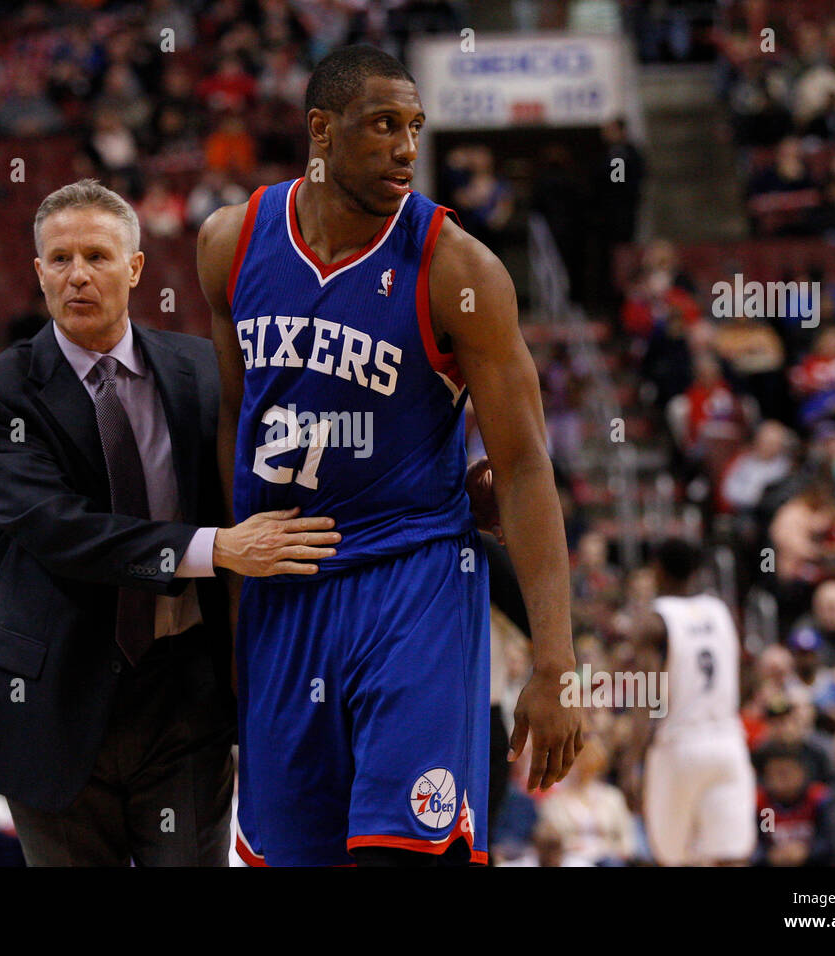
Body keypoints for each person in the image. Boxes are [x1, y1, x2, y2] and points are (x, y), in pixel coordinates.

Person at [198, 44, 581, 867]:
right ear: (321, 131)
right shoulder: (230, 243)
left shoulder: (458, 269)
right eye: (382, 126)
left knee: (402, 853)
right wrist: (230, 611)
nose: (406, 147)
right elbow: (237, 421)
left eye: (414, 127)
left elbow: (523, 465)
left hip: (412, 581)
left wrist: (556, 665)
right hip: (284, 591)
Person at [0, 180, 342, 866]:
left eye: (97, 256)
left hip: (184, 695)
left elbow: (289, 467)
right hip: (54, 702)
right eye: (59, 258)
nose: (77, 274)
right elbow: (59, 530)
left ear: (134, 268)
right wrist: (217, 549)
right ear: (38, 271)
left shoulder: (204, 369)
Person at [634, 538, 755, 865]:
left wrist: (632, 762)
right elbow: (746, 672)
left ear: (656, 569)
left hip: (678, 744)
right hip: (728, 740)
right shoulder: (723, 612)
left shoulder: (654, 621)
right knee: (730, 857)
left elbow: (647, 698)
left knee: (675, 858)